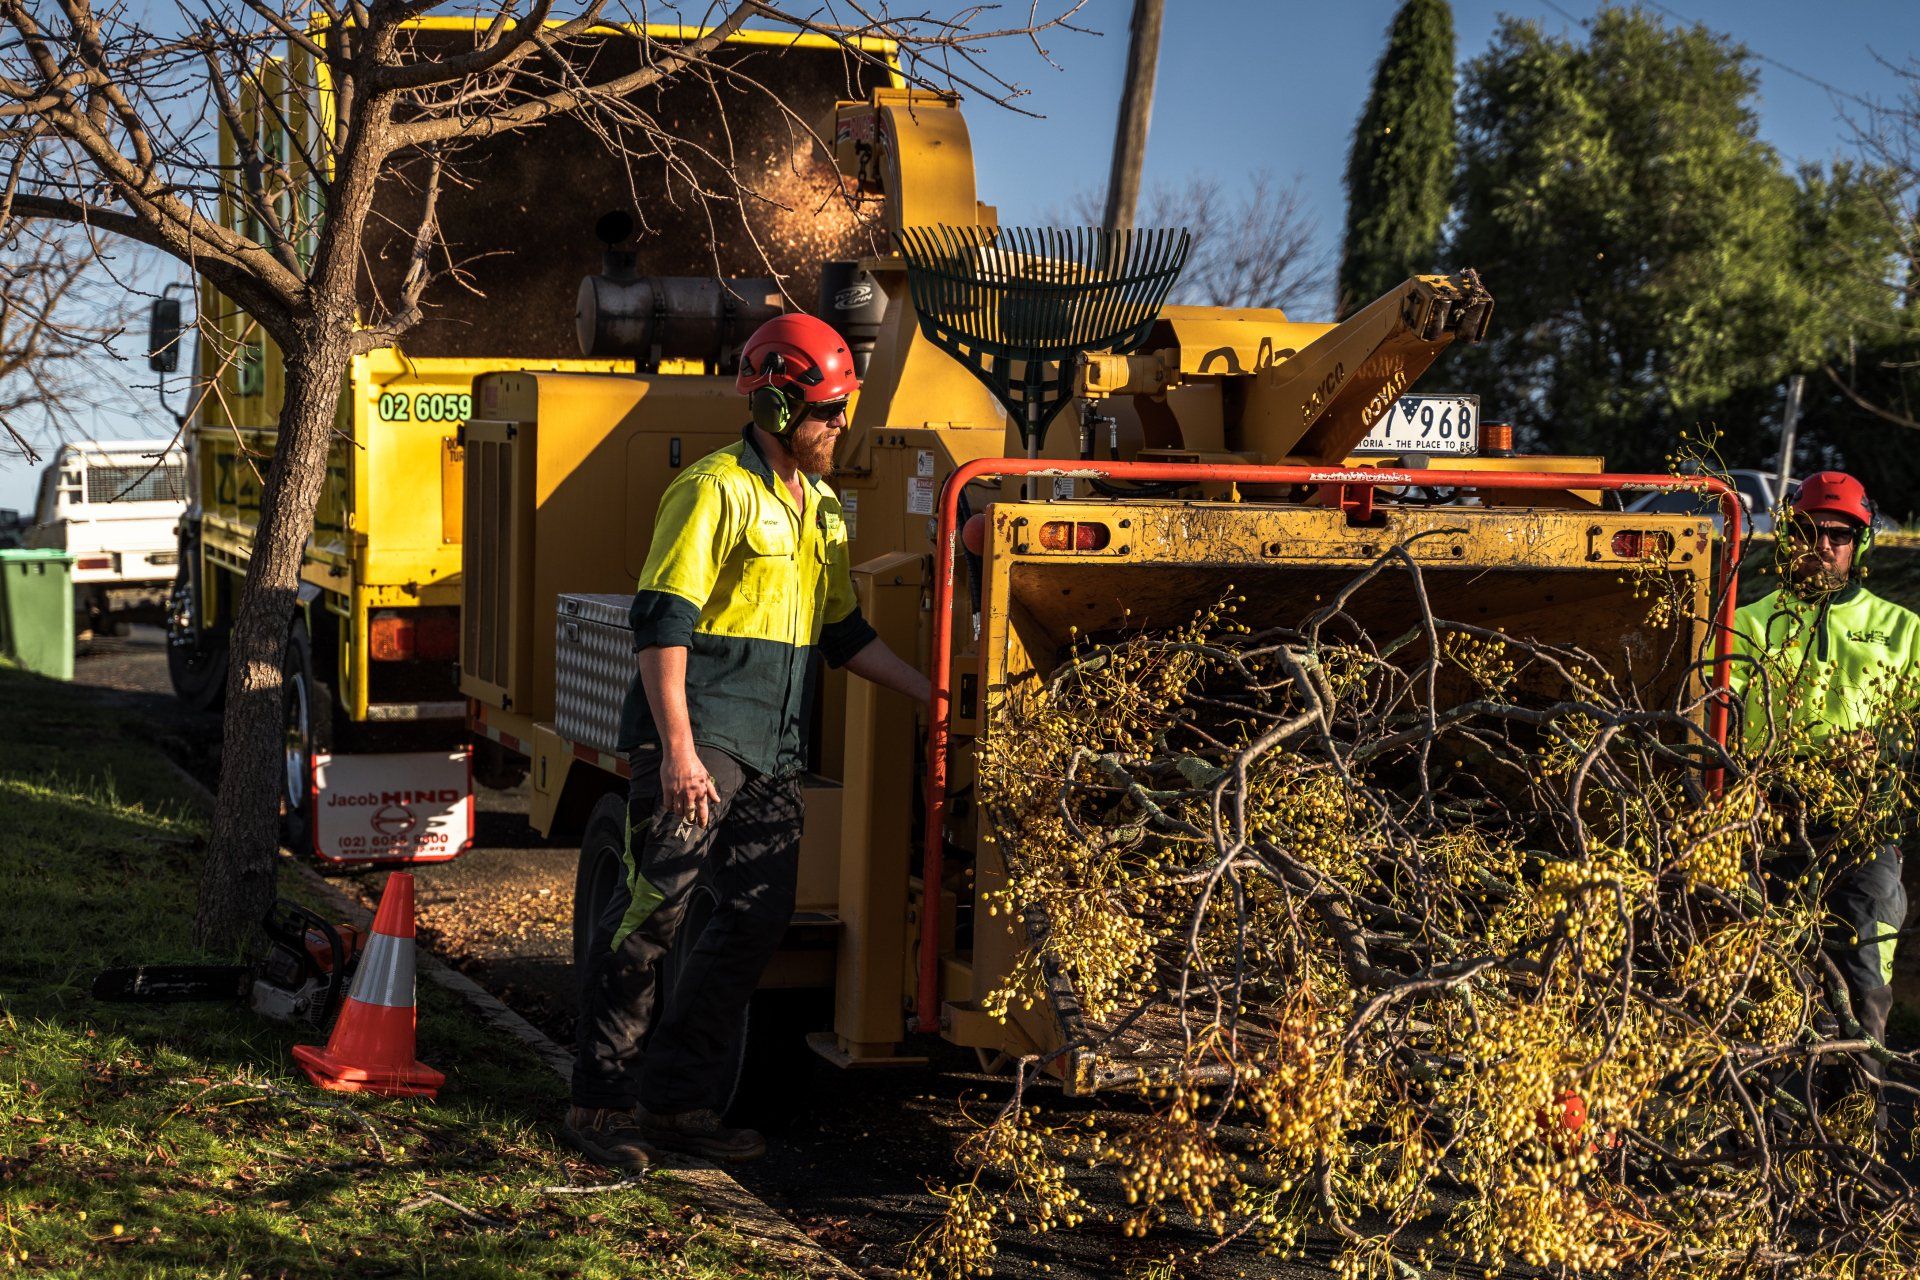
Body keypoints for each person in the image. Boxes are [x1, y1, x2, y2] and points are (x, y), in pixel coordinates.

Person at [565, 313, 931, 1170]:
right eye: (827, 411)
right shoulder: (712, 488)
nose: (843, 426)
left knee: (750, 928)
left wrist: (934, 693)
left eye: (844, 408)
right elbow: (662, 626)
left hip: (774, 749)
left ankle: (678, 1104)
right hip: (701, 739)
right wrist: (682, 753)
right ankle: (598, 1104)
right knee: (652, 918)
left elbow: (842, 637)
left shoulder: (826, 511)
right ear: (775, 403)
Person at [1730, 471, 1920, 1058]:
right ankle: (1771, 1133)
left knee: (1865, 986)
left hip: (1865, 828)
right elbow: (1718, 722)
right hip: (1771, 826)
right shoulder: (1749, 623)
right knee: (1773, 987)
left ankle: (1858, 1131)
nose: (1822, 545)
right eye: (1809, 531)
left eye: (1837, 534)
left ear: (1858, 543)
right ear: (1789, 535)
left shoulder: (1902, 629)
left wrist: (1884, 748)